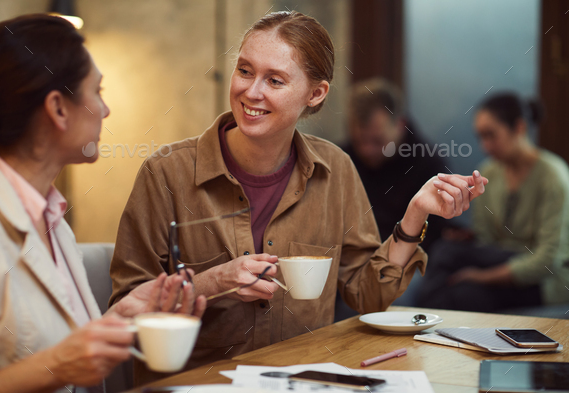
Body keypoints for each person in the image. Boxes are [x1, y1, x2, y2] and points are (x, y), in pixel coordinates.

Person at [109, 11, 487, 385]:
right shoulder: (166, 173)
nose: (251, 91)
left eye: (274, 80)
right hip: (195, 383)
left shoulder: (336, 169)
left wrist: (415, 215)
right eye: (244, 70)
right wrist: (213, 281)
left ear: (315, 93)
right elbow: (124, 308)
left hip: (298, 379)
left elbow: (367, 295)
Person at [0, 15, 205, 393]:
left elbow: (56, 345)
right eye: (97, 91)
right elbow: (55, 362)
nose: (106, 109)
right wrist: (56, 366)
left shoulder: (50, 215)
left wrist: (126, 317)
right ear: (58, 108)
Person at [417, 92, 569, 312]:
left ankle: (422, 323)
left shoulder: (553, 177)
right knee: (446, 249)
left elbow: (547, 260)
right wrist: (469, 238)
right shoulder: (490, 172)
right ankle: (425, 323)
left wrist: (482, 277)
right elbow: (486, 240)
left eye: (491, 135)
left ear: (518, 127)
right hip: (502, 258)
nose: (485, 146)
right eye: (480, 137)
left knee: (463, 293)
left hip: (544, 276)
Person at [335, 78, 450, 317]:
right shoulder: (342, 158)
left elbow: (436, 236)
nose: (367, 149)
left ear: (400, 124)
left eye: (377, 141)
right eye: (360, 141)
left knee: (388, 300)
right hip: (351, 257)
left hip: (411, 259)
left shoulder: (427, 163)